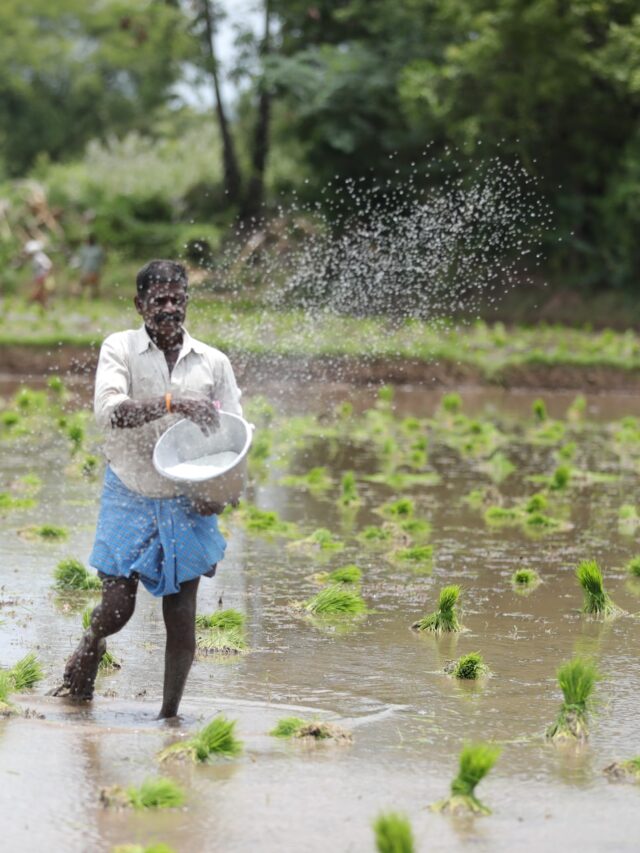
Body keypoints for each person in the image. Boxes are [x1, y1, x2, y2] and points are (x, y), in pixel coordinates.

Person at [52, 259, 242, 718]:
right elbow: (110, 412)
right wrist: (172, 403)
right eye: (160, 300)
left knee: (181, 618)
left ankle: (168, 716)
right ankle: (91, 642)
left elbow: (236, 434)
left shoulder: (212, 362)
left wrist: (226, 489)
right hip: (130, 489)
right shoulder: (120, 349)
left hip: (186, 498)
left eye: (178, 299)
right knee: (117, 608)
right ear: (140, 304)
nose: (170, 308)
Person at [25, 239, 53, 306]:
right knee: (41, 295)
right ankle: (45, 307)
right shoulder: (35, 258)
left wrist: (45, 278)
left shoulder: (39, 257)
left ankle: (28, 305)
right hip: (39, 278)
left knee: (37, 293)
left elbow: (48, 266)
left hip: (42, 278)